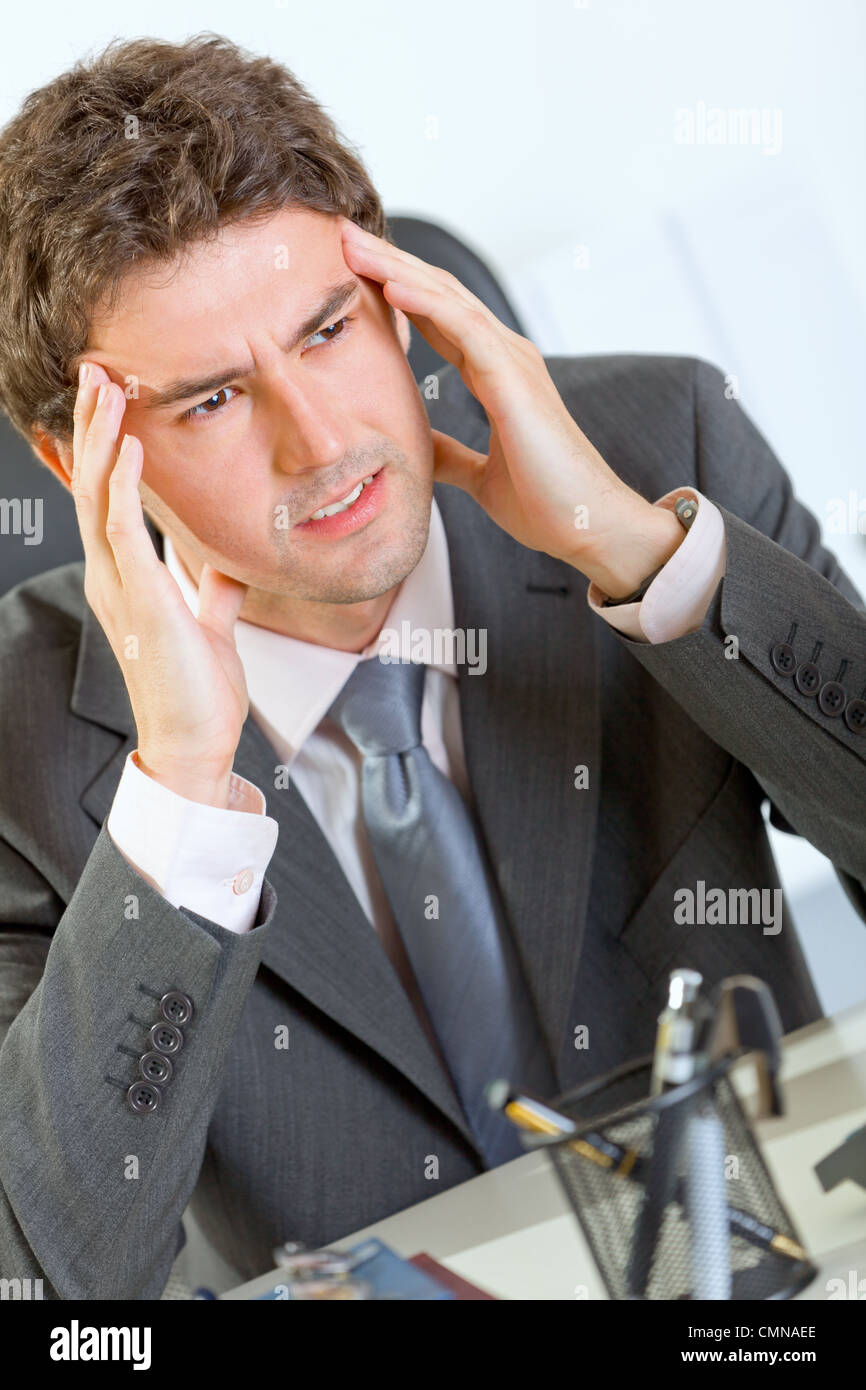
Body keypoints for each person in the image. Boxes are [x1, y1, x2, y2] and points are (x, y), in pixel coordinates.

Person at [0, 34, 863, 1301]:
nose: (325, 441)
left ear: (397, 295)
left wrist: (643, 561)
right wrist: (181, 792)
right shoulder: (18, 737)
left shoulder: (657, 449)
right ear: (79, 461)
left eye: (330, 328)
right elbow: (50, 1289)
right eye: (211, 401)